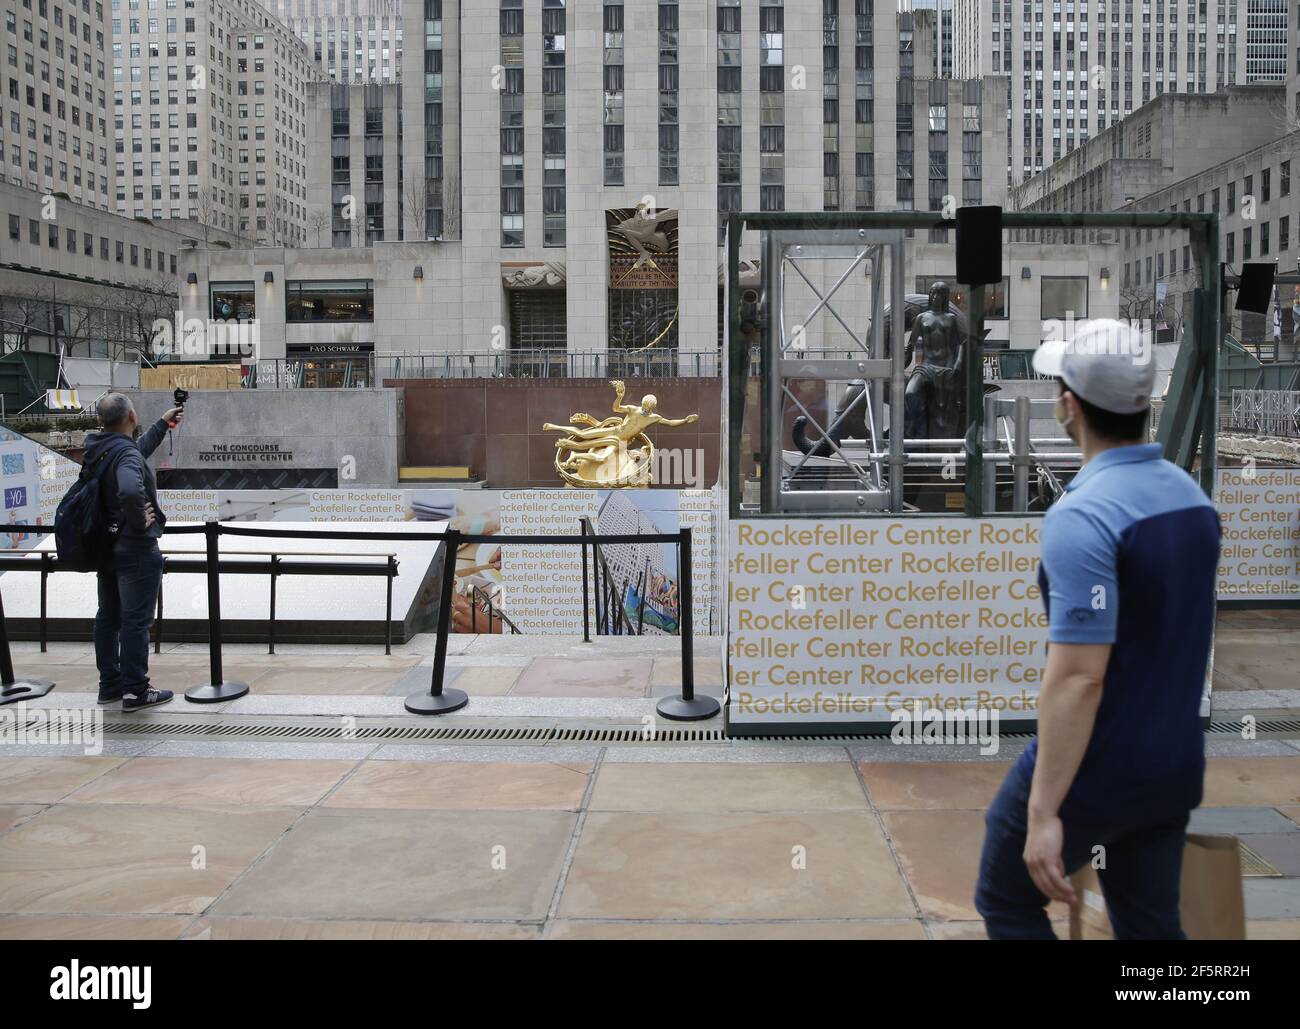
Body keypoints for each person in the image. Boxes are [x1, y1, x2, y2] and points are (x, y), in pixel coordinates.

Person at [974, 319, 1221, 939]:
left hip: (1100, 764)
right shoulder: (1193, 502)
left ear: (1069, 405)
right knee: (1151, 929)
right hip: (1172, 762)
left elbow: (1080, 678)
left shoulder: (1082, 515)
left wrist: (1044, 808)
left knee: (1005, 897)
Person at [83, 392, 184, 711]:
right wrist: (140, 519)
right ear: (130, 417)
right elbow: (129, 484)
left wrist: (162, 424)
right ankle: (136, 691)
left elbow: (134, 453)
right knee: (135, 621)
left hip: (107, 547)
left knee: (108, 616)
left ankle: (110, 685)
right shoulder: (124, 455)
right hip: (135, 550)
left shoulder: (100, 449)